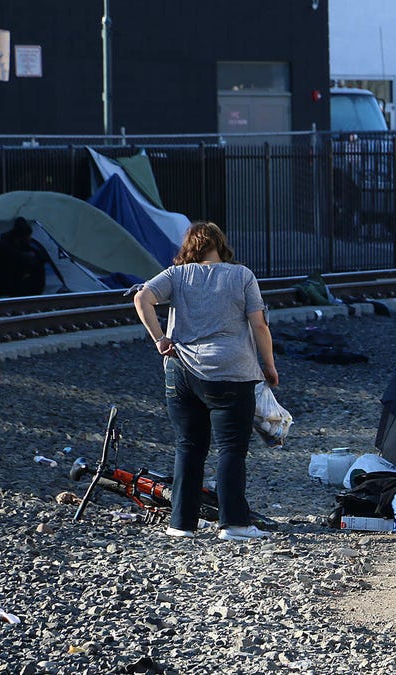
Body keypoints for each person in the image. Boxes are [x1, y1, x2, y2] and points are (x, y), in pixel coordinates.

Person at [133, 221, 279, 542]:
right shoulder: (241, 275)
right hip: (231, 374)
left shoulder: (176, 276)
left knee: (189, 446)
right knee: (231, 449)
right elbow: (260, 326)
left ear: (190, 248)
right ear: (219, 245)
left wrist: (160, 339)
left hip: (182, 373)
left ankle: (181, 524)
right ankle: (235, 525)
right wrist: (268, 366)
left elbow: (142, 299)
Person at [0, 217, 51, 297]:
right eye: (28, 236)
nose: (29, 239)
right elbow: (16, 259)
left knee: (37, 267)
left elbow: (40, 257)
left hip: (7, 283)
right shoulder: (3, 247)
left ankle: (32, 294)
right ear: (20, 237)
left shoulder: (21, 245)